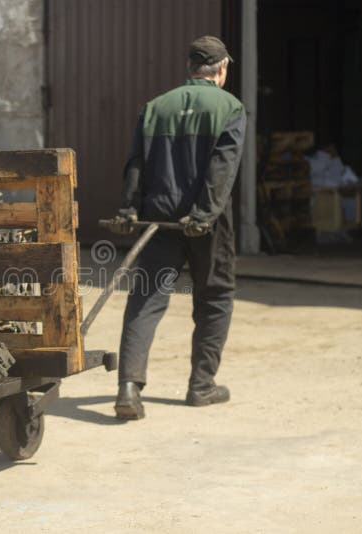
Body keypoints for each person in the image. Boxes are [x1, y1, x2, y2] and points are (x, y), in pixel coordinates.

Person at [106, 35, 246, 420]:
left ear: (191, 68)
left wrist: (129, 208)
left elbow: (136, 163)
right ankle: (202, 386)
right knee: (215, 298)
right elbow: (223, 169)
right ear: (220, 69)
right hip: (208, 225)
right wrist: (203, 215)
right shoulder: (230, 107)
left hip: (157, 219)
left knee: (145, 300)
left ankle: (129, 388)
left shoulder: (155, 107)